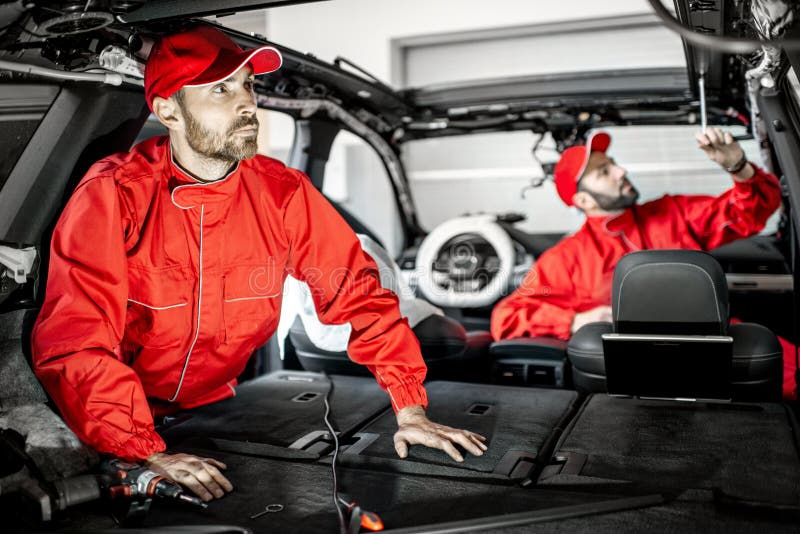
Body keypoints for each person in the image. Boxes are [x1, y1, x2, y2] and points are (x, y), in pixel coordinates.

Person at [31, 23, 486, 502]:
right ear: (169, 110)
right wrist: (143, 449)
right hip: (108, 420)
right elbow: (75, 342)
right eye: (221, 90)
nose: (247, 102)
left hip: (215, 410)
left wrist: (410, 408)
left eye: (247, 83)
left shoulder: (283, 194)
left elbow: (359, 295)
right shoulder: (114, 195)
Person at [490, 128, 797, 399]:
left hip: (716, 344)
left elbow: (750, 212)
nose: (621, 171)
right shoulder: (566, 258)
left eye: (612, 163)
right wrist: (575, 321)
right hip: (635, 373)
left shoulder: (672, 212)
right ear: (583, 200)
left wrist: (739, 166)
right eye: (604, 172)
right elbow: (506, 317)